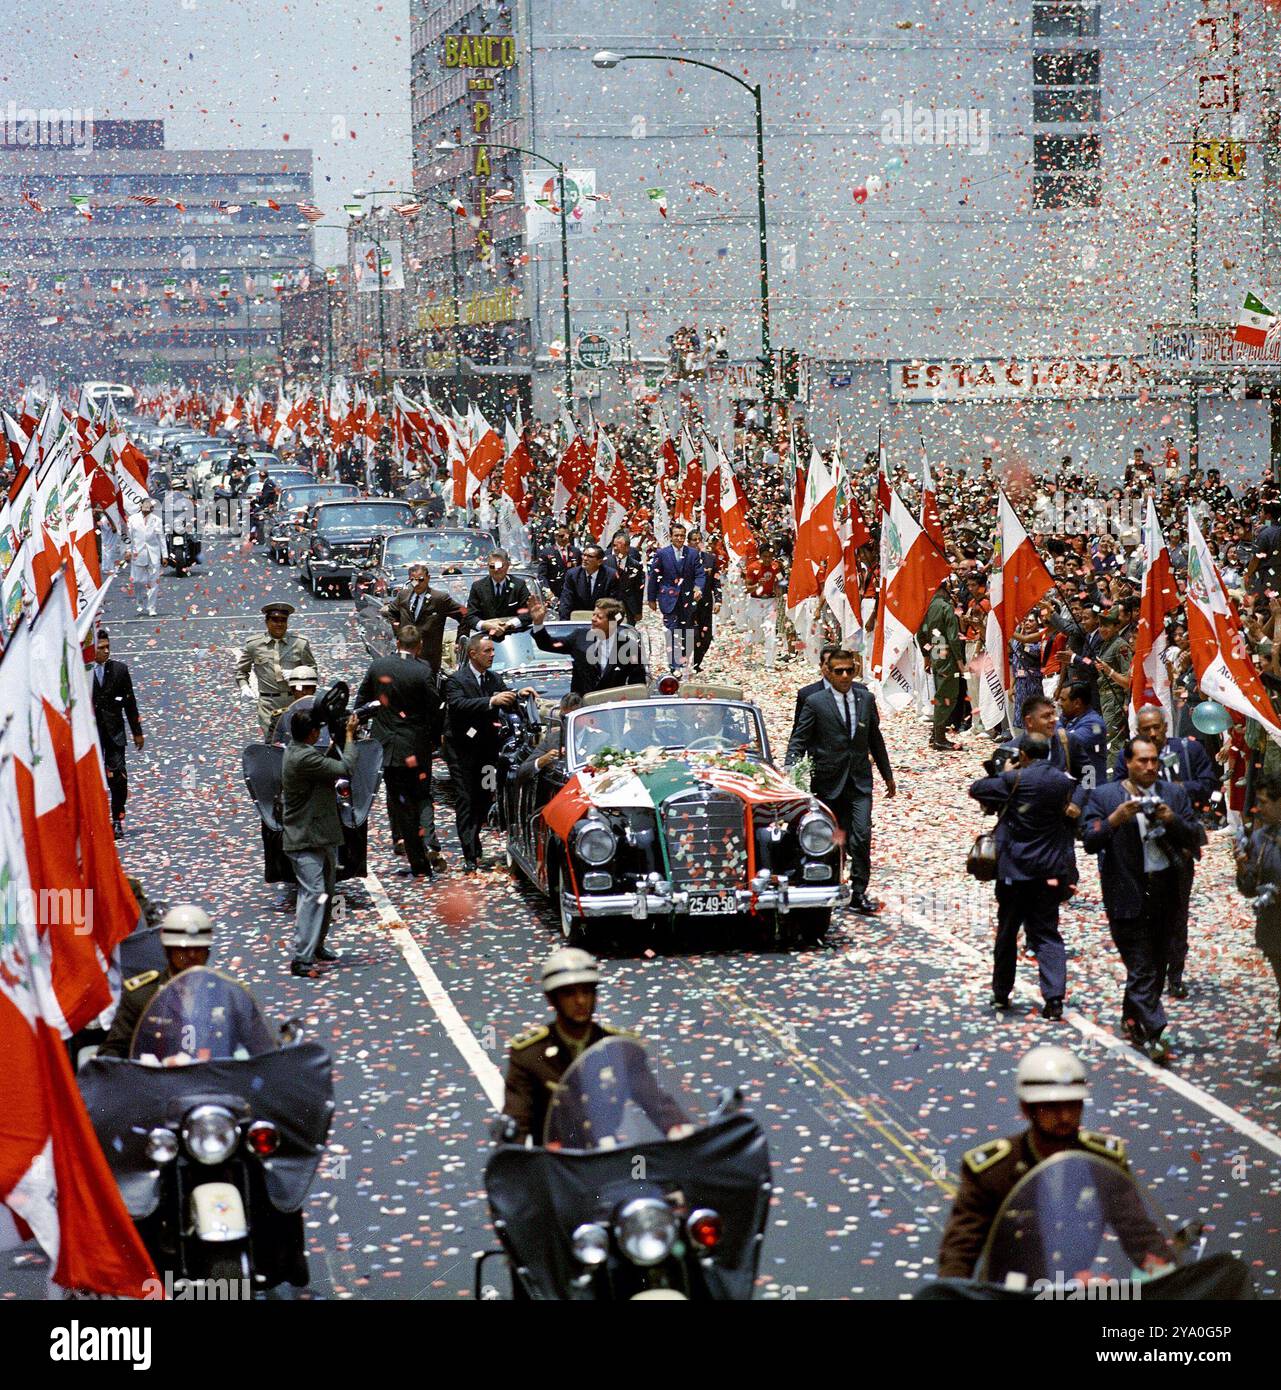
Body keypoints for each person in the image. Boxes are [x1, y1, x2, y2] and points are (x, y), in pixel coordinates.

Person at [936, 1046, 1171, 1279]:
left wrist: (1164, 1273)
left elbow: (1139, 1233)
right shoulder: (994, 1171)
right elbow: (960, 1252)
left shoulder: (1103, 1162)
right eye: (1052, 1107)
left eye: (1073, 1104)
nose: (1065, 1117)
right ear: (1026, 1109)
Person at [1081, 736, 1203, 1061]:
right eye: (1142, 761)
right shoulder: (1106, 796)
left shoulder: (1174, 794)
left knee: (1155, 966)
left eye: (1153, 761)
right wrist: (1114, 819)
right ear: (1128, 763)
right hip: (1127, 893)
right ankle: (1156, 1034)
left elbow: (1196, 836)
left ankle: (1132, 1018)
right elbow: (1090, 840)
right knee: (1142, 967)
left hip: (1166, 892)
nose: (1149, 767)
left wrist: (1170, 819)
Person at [502, 948, 691, 1145]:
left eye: (587, 991)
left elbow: (654, 1100)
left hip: (607, 1158)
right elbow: (517, 1121)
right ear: (552, 999)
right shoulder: (530, 1055)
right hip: (557, 1165)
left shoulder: (620, 1048)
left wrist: (680, 1130)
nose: (581, 1001)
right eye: (569, 994)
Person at [969, 734, 1078, 1018]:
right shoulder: (1062, 781)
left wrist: (1007, 773)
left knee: (1007, 933)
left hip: (1015, 870)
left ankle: (1001, 992)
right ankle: (1054, 998)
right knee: (1046, 934)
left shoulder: (1015, 779)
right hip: (1050, 870)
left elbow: (977, 789)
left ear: (1024, 755)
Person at [1111, 704, 1216, 998]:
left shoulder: (1188, 751)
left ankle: (1176, 974)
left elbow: (1208, 784)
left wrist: (1178, 790)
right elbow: (1115, 789)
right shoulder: (1127, 757)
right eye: (1146, 730)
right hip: (1141, 848)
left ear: (1166, 726)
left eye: (1157, 728)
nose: (1153, 733)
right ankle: (1147, 973)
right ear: (1137, 732)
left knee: (1177, 913)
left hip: (1178, 847)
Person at [786, 647, 896, 915]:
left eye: (850, 670)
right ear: (827, 672)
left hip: (859, 781)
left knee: (861, 835)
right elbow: (799, 739)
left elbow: (874, 738)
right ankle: (830, 883)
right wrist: (791, 772)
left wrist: (887, 775)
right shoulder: (815, 702)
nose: (845, 676)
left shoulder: (865, 699)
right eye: (839, 671)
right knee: (834, 837)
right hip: (828, 782)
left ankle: (859, 891)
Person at [355, 623, 443, 878]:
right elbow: (434, 708)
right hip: (416, 745)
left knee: (399, 802)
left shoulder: (378, 666)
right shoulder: (422, 670)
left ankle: (415, 856)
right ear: (419, 646)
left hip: (387, 747)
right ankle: (427, 844)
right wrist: (435, 738)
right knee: (423, 795)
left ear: (397, 644)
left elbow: (361, 702)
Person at [442, 632, 535, 872]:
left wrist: (518, 695)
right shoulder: (456, 680)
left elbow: (504, 697)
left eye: (493, 651)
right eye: (487, 651)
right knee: (466, 799)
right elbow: (459, 705)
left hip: (486, 749)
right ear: (473, 654)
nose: (492, 655)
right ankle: (470, 854)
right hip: (462, 750)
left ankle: (475, 840)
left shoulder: (493, 679)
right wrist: (491, 701)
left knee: (483, 797)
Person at [281, 707, 361, 977]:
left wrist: (337, 742)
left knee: (325, 892)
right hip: (305, 838)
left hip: (320, 836)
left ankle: (317, 945)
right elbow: (345, 768)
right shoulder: (302, 757)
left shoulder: (301, 752)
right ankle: (302, 957)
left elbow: (323, 768)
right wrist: (350, 737)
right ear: (313, 732)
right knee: (314, 894)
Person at [98, 904, 214, 1058]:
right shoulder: (142, 997)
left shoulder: (227, 996)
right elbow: (111, 1055)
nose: (191, 956)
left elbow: (255, 1051)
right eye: (182, 950)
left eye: (199, 949)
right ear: (167, 949)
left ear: (208, 951)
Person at [1233, 771, 1281, 1041]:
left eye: (1264, 803)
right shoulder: (1259, 839)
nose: (1258, 808)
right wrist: (1242, 867)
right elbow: (1249, 889)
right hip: (1273, 928)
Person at [528, 593, 647, 696]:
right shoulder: (580, 637)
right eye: (593, 615)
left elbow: (637, 681)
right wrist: (538, 624)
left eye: (599, 617)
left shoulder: (629, 647)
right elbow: (549, 644)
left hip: (612, 710)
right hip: (581, 709)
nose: (593, 619)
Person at [89, 628, 143, 839]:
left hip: (114, 733)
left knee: (118, 778)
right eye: (101, 648)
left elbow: (130, 703)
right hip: (91, 734)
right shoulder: (81, 672)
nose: (106, 651)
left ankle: (117, 819)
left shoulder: (120, 670)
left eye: (108, 647)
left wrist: (137, 733)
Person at [234, 601, 318, 736]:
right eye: (274, 620)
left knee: (296, 740)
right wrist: (244, 686)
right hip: (268, 704)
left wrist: (298, 675)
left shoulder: (299, 643)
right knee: (273, 742)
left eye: (283, 620)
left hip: (294, 701)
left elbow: (312, 669)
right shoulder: (254, 645)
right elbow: (241, 671)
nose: (279, 624)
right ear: (267, 622)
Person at [382, 562, 466, 675]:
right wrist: (398, 629)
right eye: (413, 580)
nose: (417, 583)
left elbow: (464, 614)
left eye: (421, 579)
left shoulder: (440, 598)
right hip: (405, 653)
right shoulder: (403, 595)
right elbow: (392, 612)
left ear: (428, 578)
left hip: (428, 656)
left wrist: (461, 638)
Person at [646, 523, 705, 674]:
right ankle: (674, 665)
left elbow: (700, 574)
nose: (679, 538)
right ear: (671, 537)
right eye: (676, 535)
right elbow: (654, 576)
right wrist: (651, 598)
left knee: (686, 632)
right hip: (668, 599)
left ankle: (683, 661)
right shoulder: (662, 553)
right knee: (672, 632)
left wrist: (698, 588)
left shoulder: (692, 554)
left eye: (682, 535)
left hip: (687, 599)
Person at [919, 581, 965, 752]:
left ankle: (935, 735)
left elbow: (920, 635)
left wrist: (926, 656)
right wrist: (960, 661)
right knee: (947, 696)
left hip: (936, 654)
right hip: (949, 656)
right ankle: (939, 738)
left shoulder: (928, 607)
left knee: (941, 693)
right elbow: (953, 637)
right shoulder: (946, 607)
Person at [1056, 681, 1109, 798]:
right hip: (1076, 788)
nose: (1059, 704)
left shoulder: (1094, 724)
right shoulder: (1068, 718)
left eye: (1063, 700)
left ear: (1077, 703)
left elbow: (1065, 743)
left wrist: (1054, 722)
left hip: (1092, 792)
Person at [463, 549, 531, 638]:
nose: (496, 570)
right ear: (487, 567)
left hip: (515, 637)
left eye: (499, 566)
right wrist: (486, 625)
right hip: (486, 638)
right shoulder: (478, 587)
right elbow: (470, 616)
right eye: (492, 566)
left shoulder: (518, 585)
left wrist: (509, 624)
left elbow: (529, 613)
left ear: (507, 566)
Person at [1094, 607, 1134, 756]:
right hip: (1104, 697)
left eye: (1106, 625)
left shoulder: (1121, 646)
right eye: (1100, 625)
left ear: (1117, 626)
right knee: (1106, 739)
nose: (1102, 629)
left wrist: (1125, 702)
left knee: (1113, 742)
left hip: (1114, 699)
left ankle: (1114, 776)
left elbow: (1128, 680)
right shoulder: (1105, 645)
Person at [741, 540, 782, 671]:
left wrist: (779, 589)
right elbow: (746, 588)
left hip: (771, 602)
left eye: (770, 556)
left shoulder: (776, 567)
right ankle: (748, 645)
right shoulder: (753, 568)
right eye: (765, 556)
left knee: (770, 631)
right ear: (760, 556)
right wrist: (758, 585)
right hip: (755, 602)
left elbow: (781, 581)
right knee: (755, 631)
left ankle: (770, 663)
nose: (768, 559)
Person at [687, 528, 722, 672]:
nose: (696, 542)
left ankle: (697, 663)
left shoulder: (710, 558)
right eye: (693, 540)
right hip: (688, 604)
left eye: (698, 540)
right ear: (688, 543)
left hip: (706, 604)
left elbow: (716, 581)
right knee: (693, 635)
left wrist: (718, 600)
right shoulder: (683, 559)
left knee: (706, 638)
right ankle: (687, 663)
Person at [266, 666, 325, 748]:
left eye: (308, 688)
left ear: (314, 689)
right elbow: (270, 747)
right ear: (292, 690)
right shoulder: (280, 717)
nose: (304, 692)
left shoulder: (324, 714)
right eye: (299, 688)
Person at [558, 543, 620, 619]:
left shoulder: (610, 575)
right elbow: (566, 601)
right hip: (578, 620)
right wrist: (565, 624)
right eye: (584, 555)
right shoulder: (572, 574)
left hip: (602, 620)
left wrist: (611, 628)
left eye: (590, 556)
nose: (585, 558)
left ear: (599, 562)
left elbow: (614, 604)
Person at [126, 497, 165, 616]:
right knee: (138, 581)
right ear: (141, 506)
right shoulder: (132, 519)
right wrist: (128, 551)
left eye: (150, 506)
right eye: (146, 505)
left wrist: (165, 556)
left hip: (153, 554)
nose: (148, 508)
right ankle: (139, 600)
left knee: (154, 582)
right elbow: (129, 537)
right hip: (138, 553)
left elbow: (161, 538)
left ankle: (151, 607)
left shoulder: (157, 520)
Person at [604, 529, 645, 625]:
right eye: (614, 545)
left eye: (618, 545)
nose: (615, 548)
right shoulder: (606, 562)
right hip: (609, 606)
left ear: (627, 547)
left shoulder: (636, 565)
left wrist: (638, 611)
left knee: (627, 635)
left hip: (628, 608)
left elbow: (638, 590)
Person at [538, 526, 581, 598]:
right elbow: (542, 575)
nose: (565, 538)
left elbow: (581, 572)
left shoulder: (576, 552)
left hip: (573, 592)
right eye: (561, 536)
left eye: (567, 536)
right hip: (554, 592)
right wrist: (547, 590)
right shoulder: (546, 553)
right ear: (555, 536)